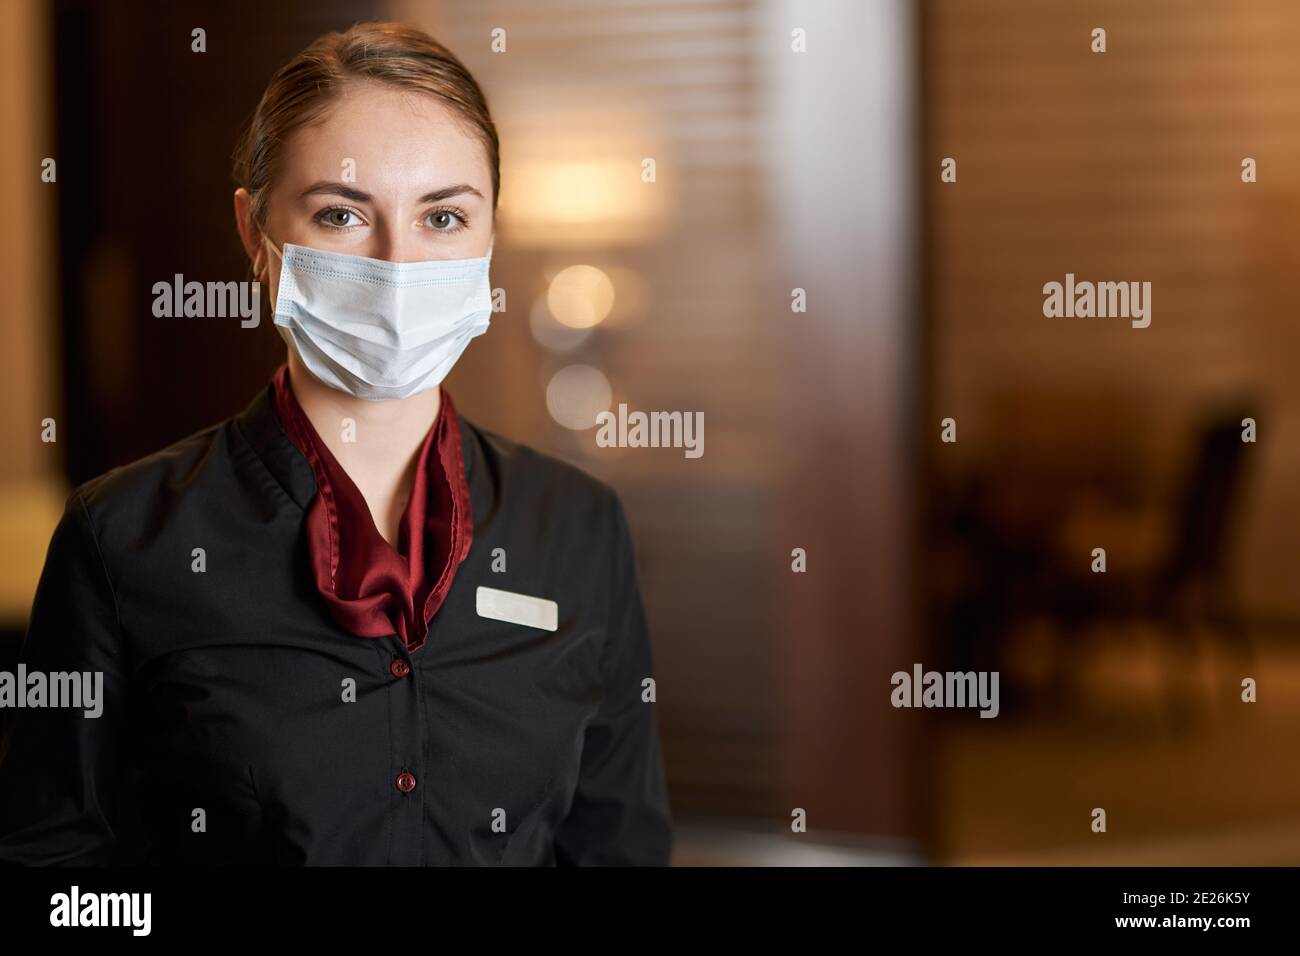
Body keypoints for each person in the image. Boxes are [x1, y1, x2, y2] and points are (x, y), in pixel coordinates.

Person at [0, 21, 672, 866]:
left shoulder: (579, 527)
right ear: (256, 233)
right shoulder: (124, 535)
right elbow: (53, 873)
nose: (397, 265)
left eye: (443, 216)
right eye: (342, 213)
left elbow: (619, 848)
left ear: (491, 235)